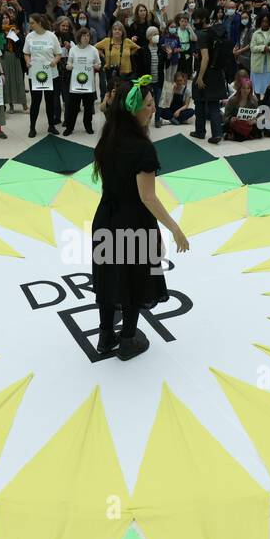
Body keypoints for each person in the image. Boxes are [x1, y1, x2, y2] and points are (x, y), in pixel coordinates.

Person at [90, 76, 189, 361]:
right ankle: (128, 339)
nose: (153, 109)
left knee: (109, 278)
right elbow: (148, 197)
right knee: (133, 282)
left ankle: (105, 336)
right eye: (148, 105)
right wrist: (174, 228)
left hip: (105, 218)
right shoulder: (143, 149)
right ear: (133, 110)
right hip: (133, 222)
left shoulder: (108, 137)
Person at [23, 12, 64, 138]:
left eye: (32, 23)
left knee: (50, 101)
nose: (30, 25)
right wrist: (28, 61)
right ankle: (32, 127)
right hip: (34, 74)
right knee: (35, 101)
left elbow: (58, 53)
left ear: (39, 23)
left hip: (50, 74)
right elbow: (26, 53)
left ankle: (51, 125)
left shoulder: (51, 36)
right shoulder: (29, 37)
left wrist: (54, 61)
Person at [191, 10, 229, 144]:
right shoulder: (214, 31)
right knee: (214, 105)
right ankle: (217, 133)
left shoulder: (201, 34)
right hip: (217, 72)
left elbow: (205, 58)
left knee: (199, 100)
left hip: (206, 72)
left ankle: (200, 131)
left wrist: (200, 77)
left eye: (195, 19)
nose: (194, 22)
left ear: (202, 19)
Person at [64, 26, 102, 136]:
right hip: (75, 85)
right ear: (79, 37)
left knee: (88, 107)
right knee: (73, 108)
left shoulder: (93, 50)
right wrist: (69, 66)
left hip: (89, 85)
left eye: (88, 36)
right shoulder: (73, 49)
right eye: (84, 36)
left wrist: (96, 66)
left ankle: (88, 126)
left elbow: (99, 64)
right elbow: (69, 64)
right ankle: (69, 127)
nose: (86, 38)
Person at [222, 70, 259, 140]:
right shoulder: (232, 100)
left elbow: (257, 115)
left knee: (258, 129)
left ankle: (236, 135)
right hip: (235, 123)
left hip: (247, 123)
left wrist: (254, 120)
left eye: (248, 88)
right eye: (243, 88)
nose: (246, 91)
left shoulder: (254, 100)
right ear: (240, 89)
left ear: (251, 90)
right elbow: (225, 117)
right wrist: (231, 119)